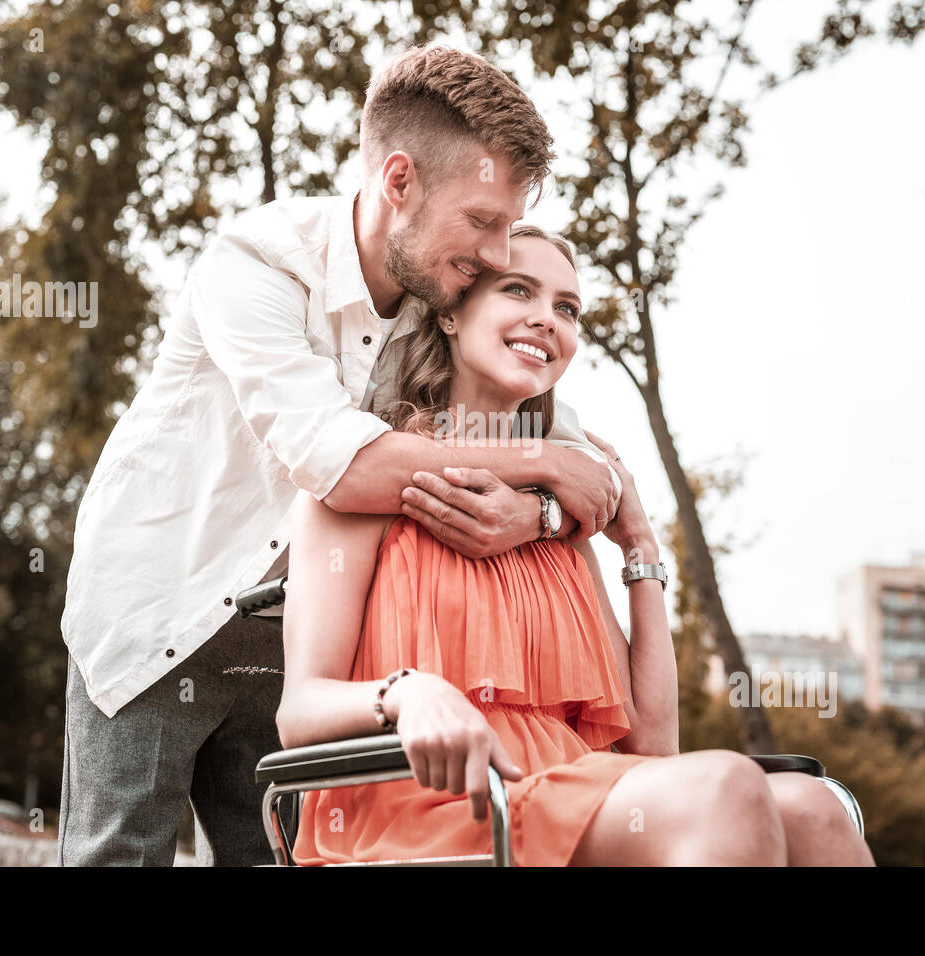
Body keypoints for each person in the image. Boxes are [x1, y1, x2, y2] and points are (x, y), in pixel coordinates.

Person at [57, 45, 622, 866]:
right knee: (118, 856)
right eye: (483, 221)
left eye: (507, 226)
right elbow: (344, 468)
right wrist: (538, 462)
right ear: (400, 181)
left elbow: (588, 468)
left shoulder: (442, 295)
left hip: (304, 651)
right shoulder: (254, 264)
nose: (500, 253)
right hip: (160, 611)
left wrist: (539, 504)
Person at [279, 226, 877, 866]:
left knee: (814, 806)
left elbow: (652, 746)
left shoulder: (553, 521)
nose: (546, 320)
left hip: (579, 791)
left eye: (566, 308)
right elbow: (299, 712)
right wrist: (405, 692)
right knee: (726, 787)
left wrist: (640, 546)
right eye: (518, 290)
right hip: (439, 802)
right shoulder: (361, 484)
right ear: (450, 313)